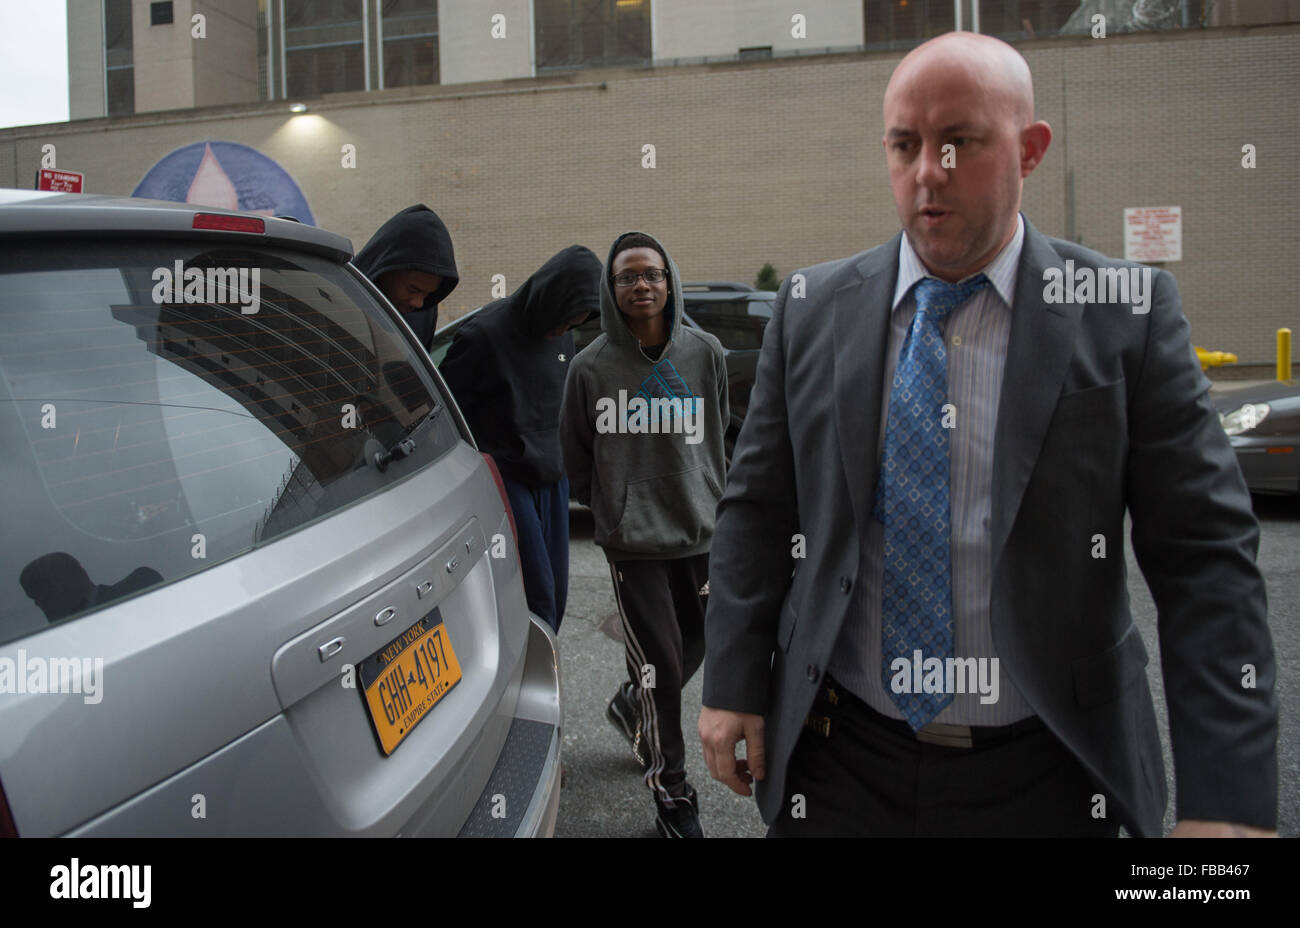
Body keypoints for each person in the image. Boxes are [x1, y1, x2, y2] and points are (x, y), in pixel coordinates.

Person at [698, 31, 1277, 837]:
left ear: (1029, 149)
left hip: (1048, 775)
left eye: (957, 143)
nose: (927, 172)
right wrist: (731, 679)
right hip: (840, 761)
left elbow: (1206, 560)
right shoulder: (813, 309)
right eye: (905, 145)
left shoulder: (1125, 316)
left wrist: (1227, 804)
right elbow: (758, 510)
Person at [561, 232, 729, 838]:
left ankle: (632, 702)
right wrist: (610, 508)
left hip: (701, 528)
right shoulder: (590, 368)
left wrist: (714, 491)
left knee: (699, 644)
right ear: (612, 289)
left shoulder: (705, 353)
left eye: (652, 274)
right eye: (628, 277)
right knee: (660, 662)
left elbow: (717, 434)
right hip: (634, 542)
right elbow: (576, 454)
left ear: (669, 280)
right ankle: (672, 796)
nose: (642, 285)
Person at [440, 245, 602, 633]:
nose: (565, 331)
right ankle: (525, 681)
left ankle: (544, 671)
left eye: (574, 325)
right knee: (536, 592)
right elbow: (446, 408)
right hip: (508, 478)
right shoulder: (483, 335)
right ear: (551, 298)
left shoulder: (562, 334)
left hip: (554, 477)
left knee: (558, 592)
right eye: (564, 322)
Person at [354, 204, 459, 350]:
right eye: (413, 289)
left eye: (427, 294)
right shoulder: (333, 300)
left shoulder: (423, 314)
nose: (418, 303)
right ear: (386, 271)